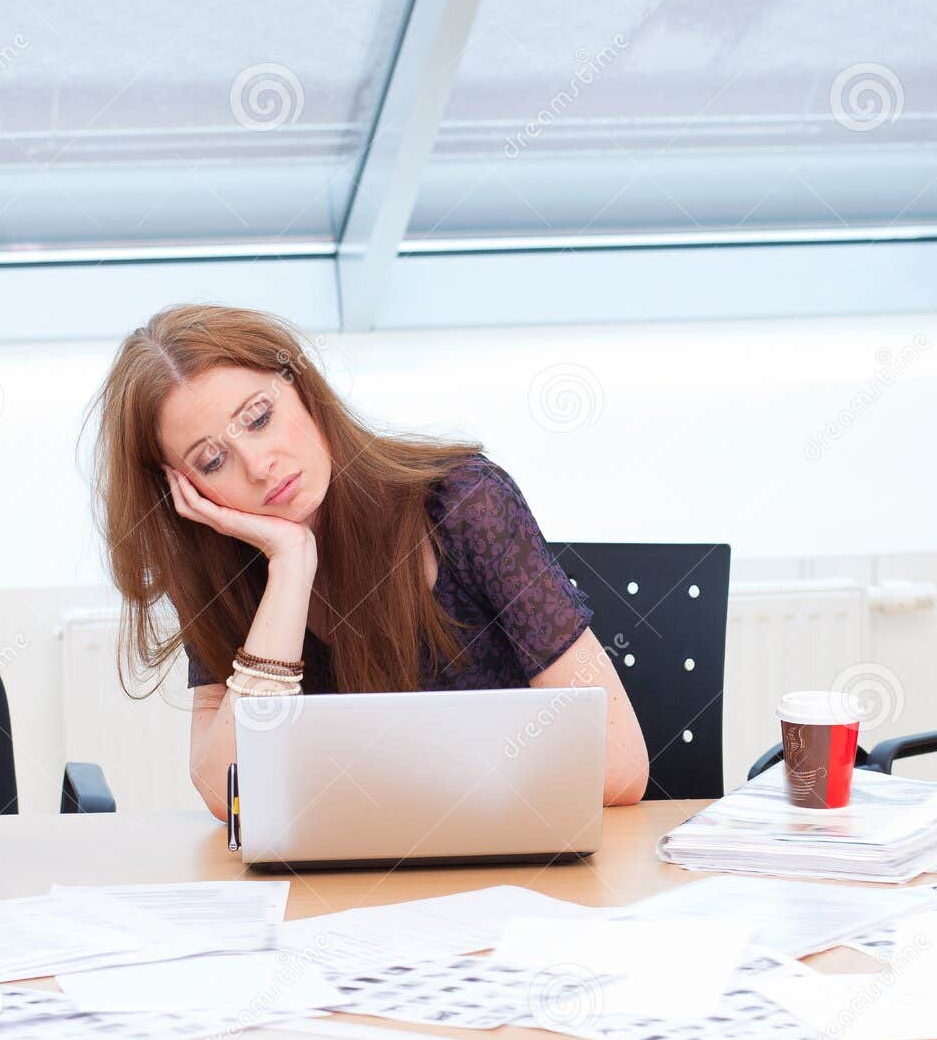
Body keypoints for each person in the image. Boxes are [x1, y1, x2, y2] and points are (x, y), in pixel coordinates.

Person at [88, 303, 649, 820]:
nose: (259, 465)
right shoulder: (221, 572)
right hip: (338, 902)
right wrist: (290, 569)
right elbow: (227, 793)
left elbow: (621, 763)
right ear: (185, 491)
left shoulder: (463, 505)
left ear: (303, 388)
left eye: (259, 419)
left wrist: (393, 799)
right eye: (212, 461)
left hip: (512, 878)